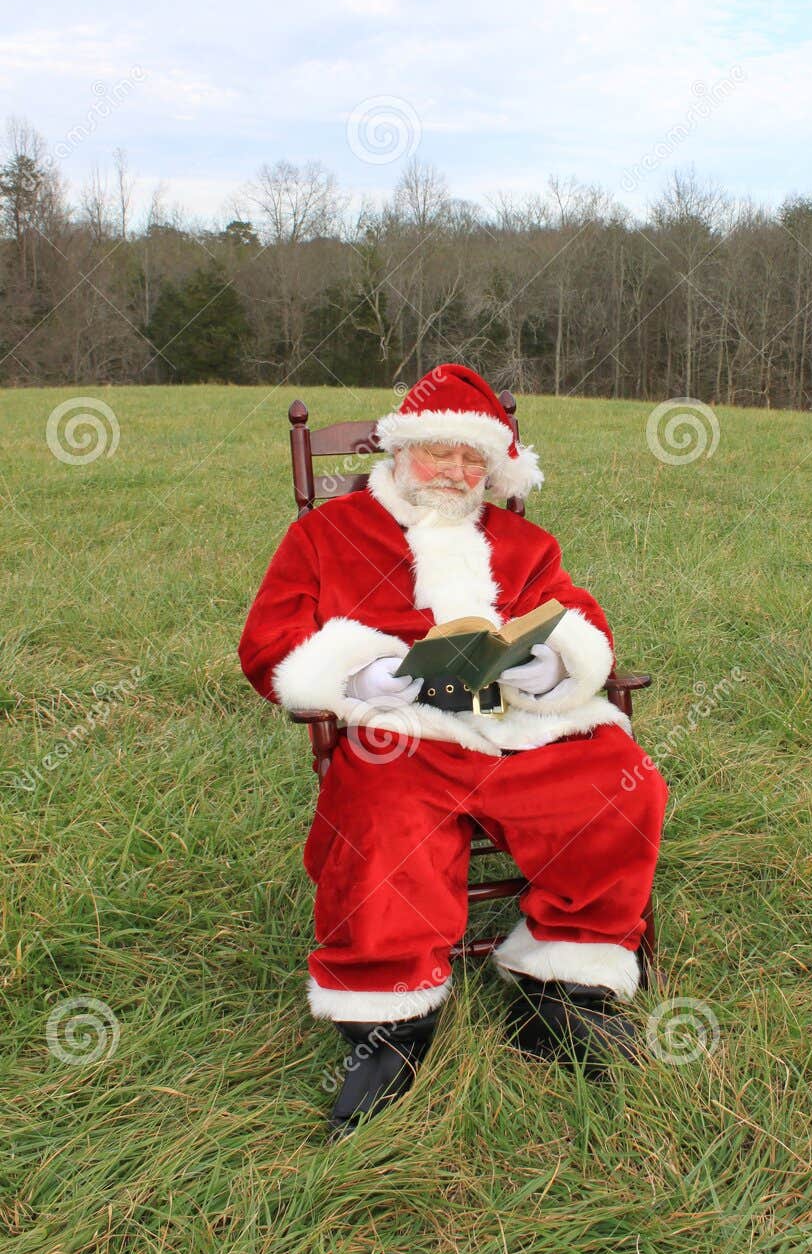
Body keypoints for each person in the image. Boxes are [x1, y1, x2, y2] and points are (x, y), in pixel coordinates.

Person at [238, 364, 669, 1137]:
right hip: (399, 731)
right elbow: (270, 641)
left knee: (616, 781)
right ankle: (387, 1028)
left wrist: (548, 663)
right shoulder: (324, 535)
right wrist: (363, 675)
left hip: (519, 724)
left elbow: (576, 617)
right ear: (402, 450)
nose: (456, 472)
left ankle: (563, 992)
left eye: (474, 460)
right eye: (441, 453)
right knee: (381, 812)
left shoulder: (523, 542)